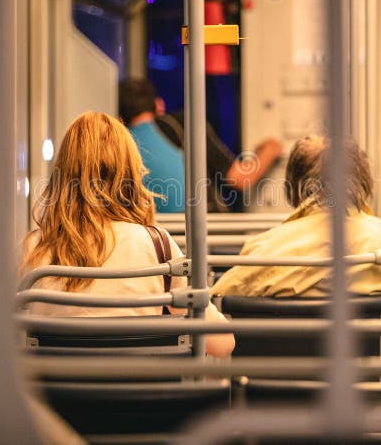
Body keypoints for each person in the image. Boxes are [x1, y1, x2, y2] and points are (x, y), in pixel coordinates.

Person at [22, 111, 235, 358]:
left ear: (62, 172)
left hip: (51, 395)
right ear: (130, 172)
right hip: (145, 393)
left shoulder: (32, 248)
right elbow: (223, 344)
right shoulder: (157, 246)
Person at [211, 135, 381, 356]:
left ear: (293, 187)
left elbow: (217, 306)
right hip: (372, 386)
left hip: (273, 386)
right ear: (363, 181)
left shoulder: (262, 249)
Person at [156, 111, 283, 211]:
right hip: (206, 229)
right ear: (159, 105)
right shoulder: (182, 124)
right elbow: (241, 178)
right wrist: (270, 149)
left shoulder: (139, 141)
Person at [118, 78, 185, 213]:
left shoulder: (122, 147)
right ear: (156, 105)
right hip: (184, 226)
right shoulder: (173, 136)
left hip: (152, 228)